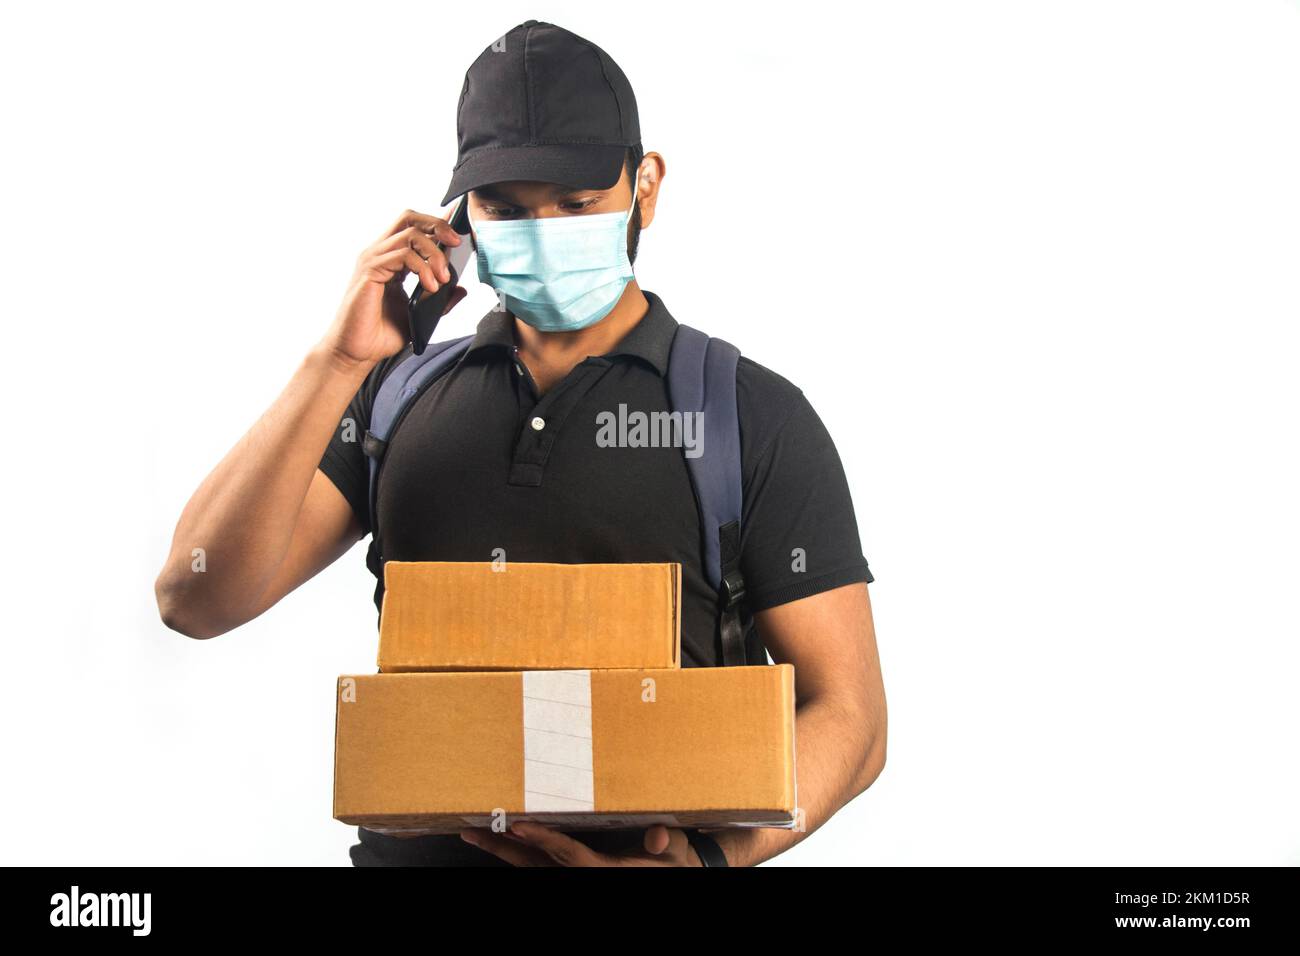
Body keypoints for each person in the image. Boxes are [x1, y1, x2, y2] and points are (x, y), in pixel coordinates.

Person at [155, 19, 887, 867]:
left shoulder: (745, 414)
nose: (542, 233)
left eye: (576, 206)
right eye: (506, 209)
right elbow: (194, 597)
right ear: (459, 216)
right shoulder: (395, 395)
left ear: (644, 186)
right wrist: (339, 360)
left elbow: (853, 717)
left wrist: (710, 860)